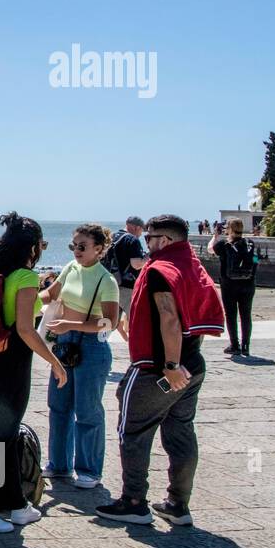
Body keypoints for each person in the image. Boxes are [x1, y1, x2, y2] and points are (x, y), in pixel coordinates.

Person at [97, 215, 224, 526]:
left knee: (134, 431)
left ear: (165, 241)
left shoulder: (160, 270)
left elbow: (169, 318)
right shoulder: (193, 267)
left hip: (159, 369)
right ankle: (178, 504)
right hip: (193, 365)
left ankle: (134, 501)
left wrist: (170, 365)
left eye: (150, 238)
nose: (146, 243)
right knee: (180, 432)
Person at [0, 213, 68, 534]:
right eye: (41, 244)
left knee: (4, 435)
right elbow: (25, 328)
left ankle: (16, 505)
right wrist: (54, 361)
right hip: (13, 365)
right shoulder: (23, 276)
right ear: (32, 247)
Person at [39, 223, 120, 489]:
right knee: (59, 405)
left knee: (87, 410)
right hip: (64, 342)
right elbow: (49, 296)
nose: (76, 250)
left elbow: (109, 322)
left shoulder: (106, 280)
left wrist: (71, 325)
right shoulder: (70, 268)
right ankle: (59, 465)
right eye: (74, 245)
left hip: (91, 347)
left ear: (99, 249)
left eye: (82, 246)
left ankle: (89, 470)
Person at [209, 218, 257, 357]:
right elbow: (255, 260)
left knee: (231, 315)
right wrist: (252, 275)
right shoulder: (250, 243)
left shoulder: (224, 244)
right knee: (246, 315)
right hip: (248, 284)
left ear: (229, 229)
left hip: (229, 284)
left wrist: (214, 237)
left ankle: (234, 345)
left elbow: (210, 249)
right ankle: (246, 346)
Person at [109, 216, 147, 339]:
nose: (141, 234)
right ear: (137, 227)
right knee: (137, 321)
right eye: (141, 230)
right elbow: (136, 264)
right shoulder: (132, 240)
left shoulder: (112, 237)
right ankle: (138, 351)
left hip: (109, 283)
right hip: (126, 286)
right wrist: (151, 256)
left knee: (108, 322)